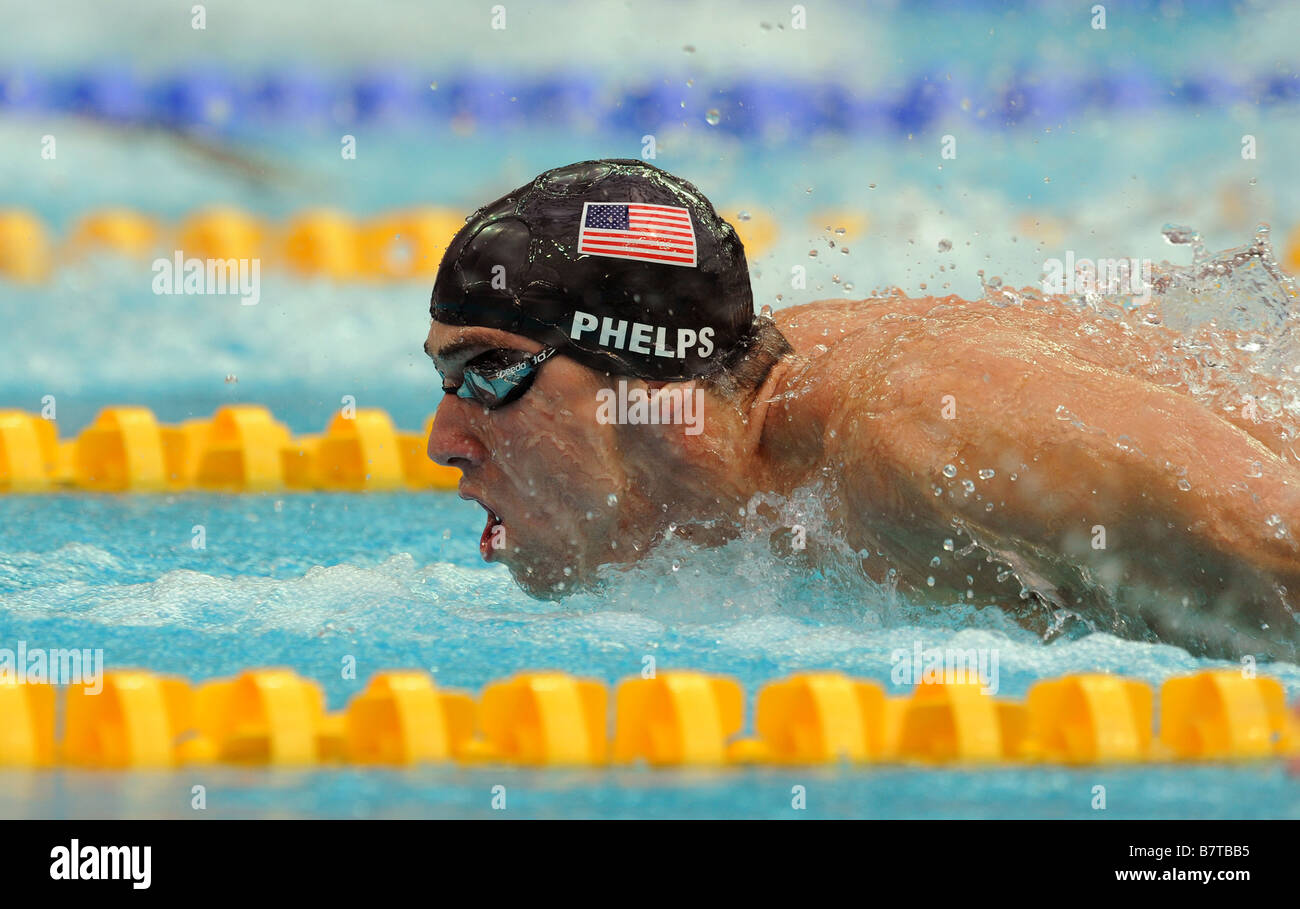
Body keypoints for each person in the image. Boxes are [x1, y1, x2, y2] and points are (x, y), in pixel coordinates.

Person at [424, 159, 1300, 659]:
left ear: (645, 383)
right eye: (444, 378)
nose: (443, 441)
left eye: (489, 373)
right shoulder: (738, 459)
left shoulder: (925, 435)